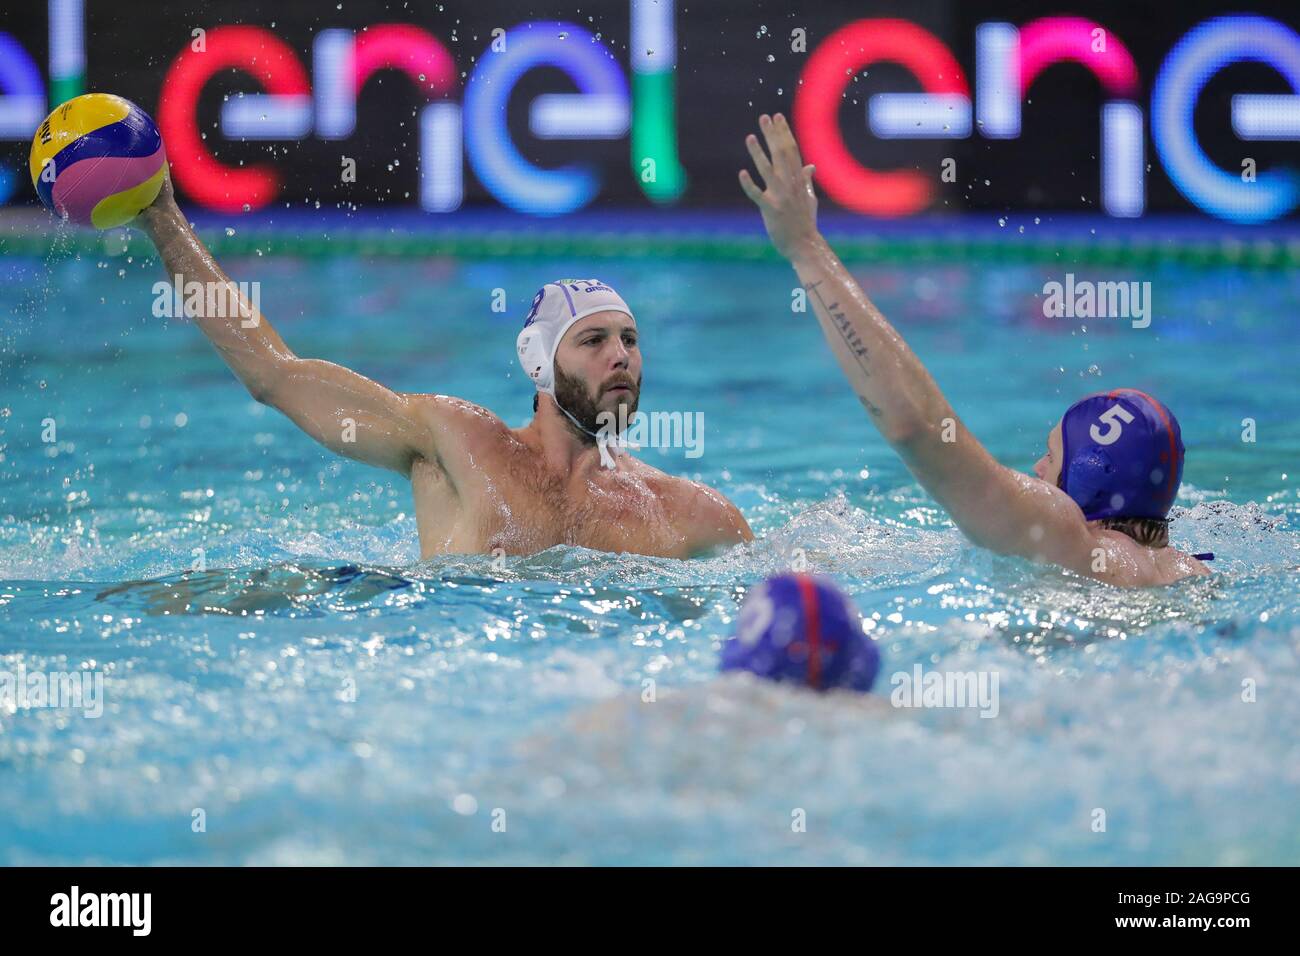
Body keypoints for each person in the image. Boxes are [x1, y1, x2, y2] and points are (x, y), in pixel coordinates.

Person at [137, 173, 751, 560]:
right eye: (593, 340)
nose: (621, 355)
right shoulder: (455, 442)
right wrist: (164, 220)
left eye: (630, 339)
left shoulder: (686, 512)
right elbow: (272, 374)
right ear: (538, 364)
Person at [738, 113, 1210, 587]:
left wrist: (805, 247)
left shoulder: (1064, 535)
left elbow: (915, 428)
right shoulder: (1189, 570)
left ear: (1088, 479)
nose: (1036, 469)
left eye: (1051, 456)